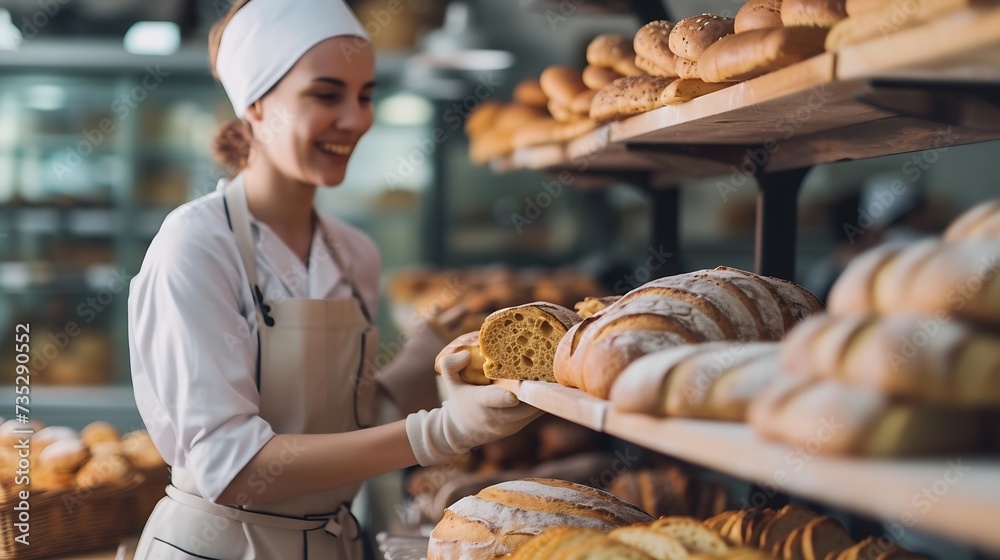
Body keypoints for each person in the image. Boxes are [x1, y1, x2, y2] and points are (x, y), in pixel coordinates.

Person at [127, 1, 541, 558]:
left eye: (365, 95)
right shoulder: (197, 244)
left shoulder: (353, 253)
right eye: (326, 95)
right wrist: (441, 431)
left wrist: (421, 363)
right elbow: (230, 465)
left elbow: (343, 426)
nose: (356, 119)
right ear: (255, 103)